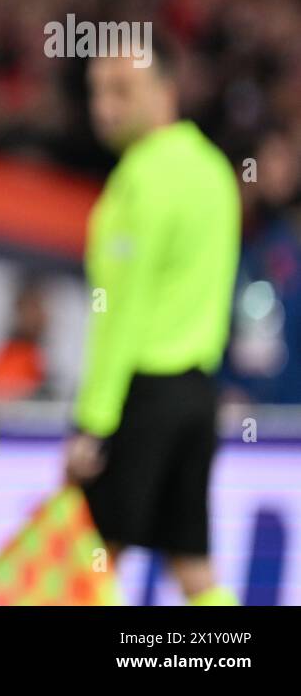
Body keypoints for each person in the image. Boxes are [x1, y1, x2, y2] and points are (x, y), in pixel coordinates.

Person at [64, 42, 241, 605]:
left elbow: (120, 309)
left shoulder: (139, 181)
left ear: (165, 92)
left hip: (141, 392)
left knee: (86, 563)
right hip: (196, 393)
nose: (106, 107)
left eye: (122, 91)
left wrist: (94, 420)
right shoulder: (213, 171)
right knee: (193, 567)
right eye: (97, 92)